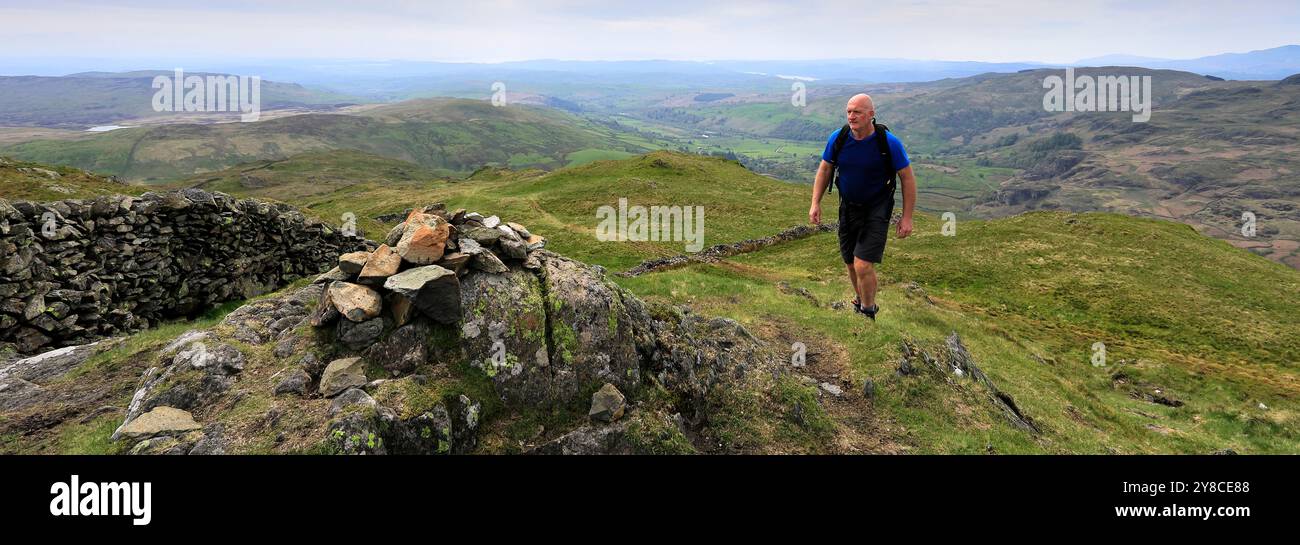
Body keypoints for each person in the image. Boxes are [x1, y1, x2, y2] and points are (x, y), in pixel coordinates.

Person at [808, 94, 916, 321]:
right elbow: (825, 169)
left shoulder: (888, 142)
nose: (851, 116)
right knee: (850, 262)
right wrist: (815, 203)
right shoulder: (838, 138)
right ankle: (860, 300)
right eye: (849, 111)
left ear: (871, 115)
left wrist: (907, 218)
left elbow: (907, 177)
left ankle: (868, 311)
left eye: (857, 112)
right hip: (848, 206)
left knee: (863, 264)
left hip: (877, 208)